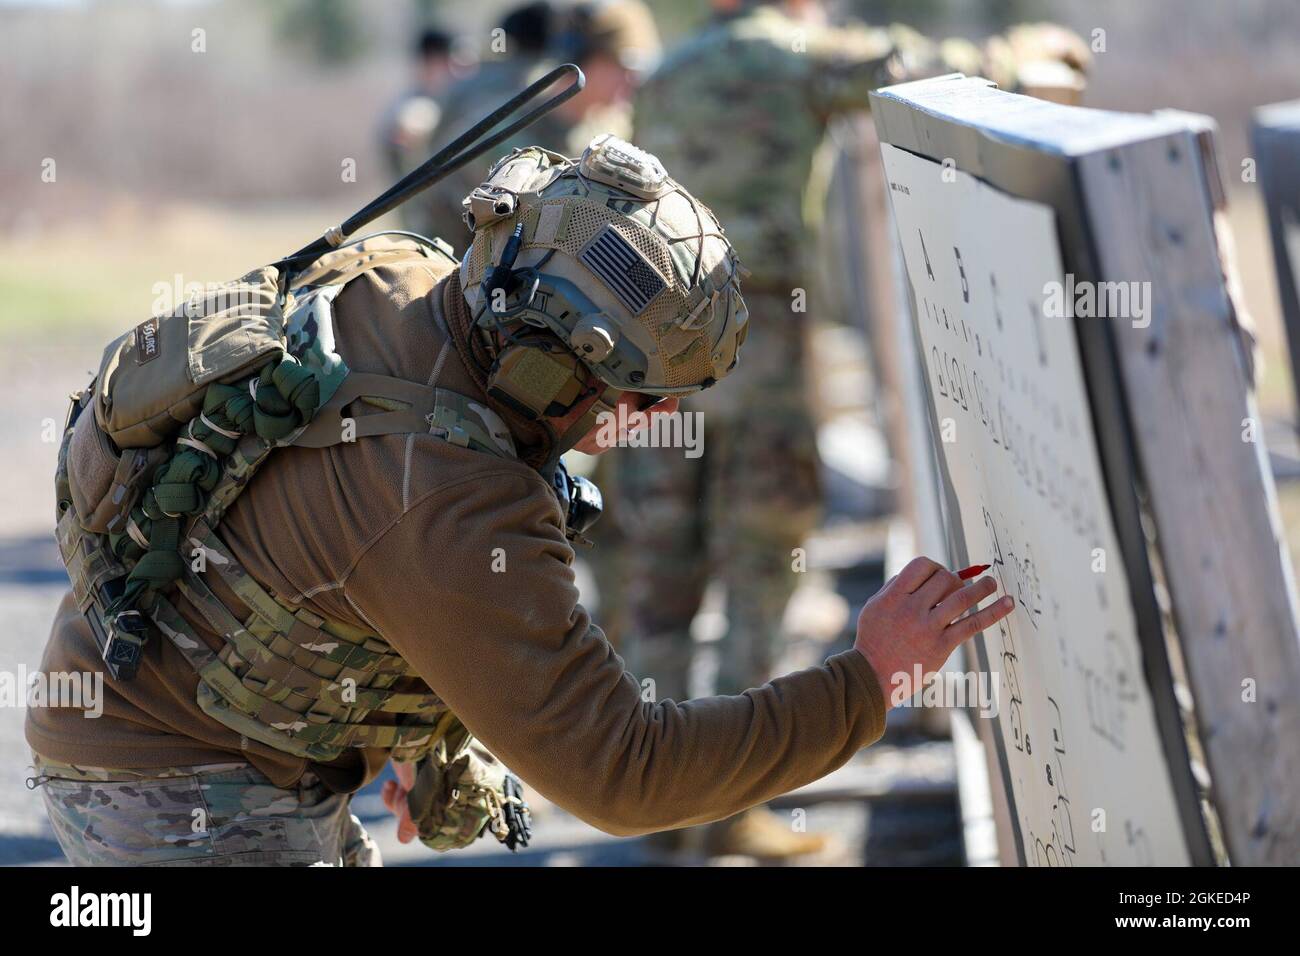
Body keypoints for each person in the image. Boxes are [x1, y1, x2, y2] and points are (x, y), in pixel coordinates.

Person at [28, 134, 1013, 865]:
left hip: (163, 726)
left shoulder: (401, 276)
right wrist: (870, 677)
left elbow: (317, 544)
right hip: (177, 796)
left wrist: (415, 719)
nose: (636, 426)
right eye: (636, 401)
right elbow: (627, 774)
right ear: (555, 375)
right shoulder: (456, 504)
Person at [604, 0, 1088, 860]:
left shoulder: (669, 72)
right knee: (759, 575)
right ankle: (725, 808)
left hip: (653, 365)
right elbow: (914, 66)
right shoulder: (795, 54)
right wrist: (1029, 50)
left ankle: (659, 810)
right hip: (756, 352)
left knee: (661, 584)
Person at [418, 0, 659, 252]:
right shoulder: (502, 136)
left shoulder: (616, 129)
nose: (634, 80)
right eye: (624, 66)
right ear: (581, 57)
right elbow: (442, 229)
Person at [379, 26, 460, 202]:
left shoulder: (459, 98)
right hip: (428, 205)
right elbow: (406, 129)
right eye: (446, 62)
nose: (455, 71)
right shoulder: (410, 103)